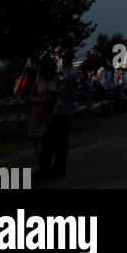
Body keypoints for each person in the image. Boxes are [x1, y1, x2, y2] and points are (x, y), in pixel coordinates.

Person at [46, 49, 78, 178]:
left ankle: (60, 167)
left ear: (68, 60)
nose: (62, 62)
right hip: (61, 109)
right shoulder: (68, 73)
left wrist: (57, 92)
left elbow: (70, 94)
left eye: (64, 59)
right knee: (59, 140)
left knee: (61, 140)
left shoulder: (71, 74)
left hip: (64, 110)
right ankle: (58, 165)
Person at [29, 54, 58, 177]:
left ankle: (40, 164)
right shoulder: (39, 79)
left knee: (42, 137)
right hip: (38, 110)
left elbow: (57, 93)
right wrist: (38, 101)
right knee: (37, 138)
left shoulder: (54, 79)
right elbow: (31, 95)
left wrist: (50, 98)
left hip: (48, 111)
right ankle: (39, 162)